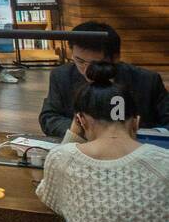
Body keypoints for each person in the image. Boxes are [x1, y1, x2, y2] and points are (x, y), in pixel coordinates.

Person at [35, 60, 169, 222]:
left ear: (81, 122)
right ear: (136, 122)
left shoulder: (62, 159)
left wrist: (73, 132)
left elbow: (50, 197)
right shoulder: (164, 162)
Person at [38, 22, 169, 138]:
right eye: (79, 61)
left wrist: (136, 133)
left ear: (116, 57)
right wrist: (86, 129)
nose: (86, 70)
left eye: (96, 64)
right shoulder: (62, 76)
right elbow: (49, 118)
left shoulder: (146, 80)